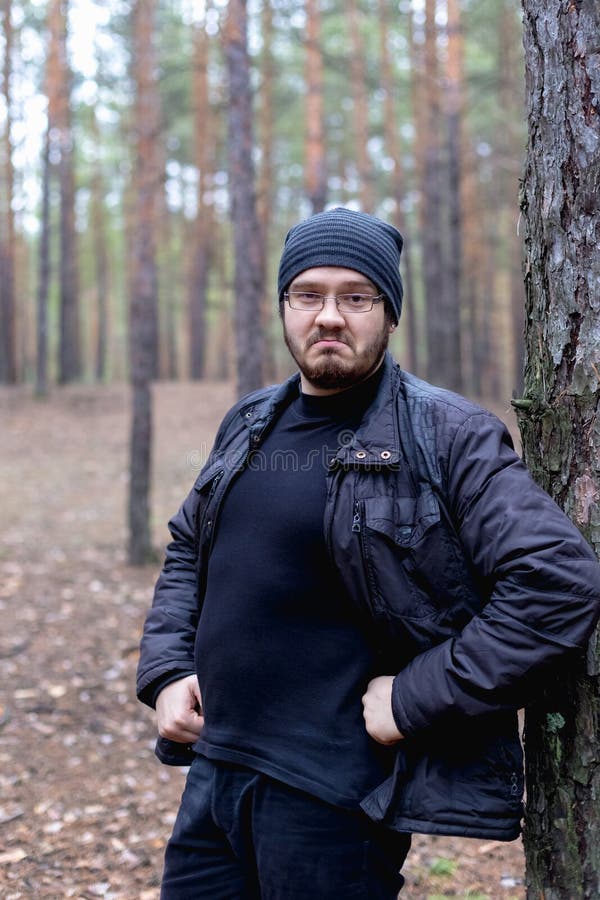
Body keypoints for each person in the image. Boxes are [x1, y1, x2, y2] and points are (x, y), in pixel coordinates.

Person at [137, 206, 600, 899]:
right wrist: (169, 669)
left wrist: (418, 697)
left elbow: (557, 583)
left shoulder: (445, 435)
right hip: (214, 776)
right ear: (286, 307)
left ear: (389, 314)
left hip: (331, 805)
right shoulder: (252, 421)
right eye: (308, 295)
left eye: (356, 297)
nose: (329, 316)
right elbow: (187, 546)